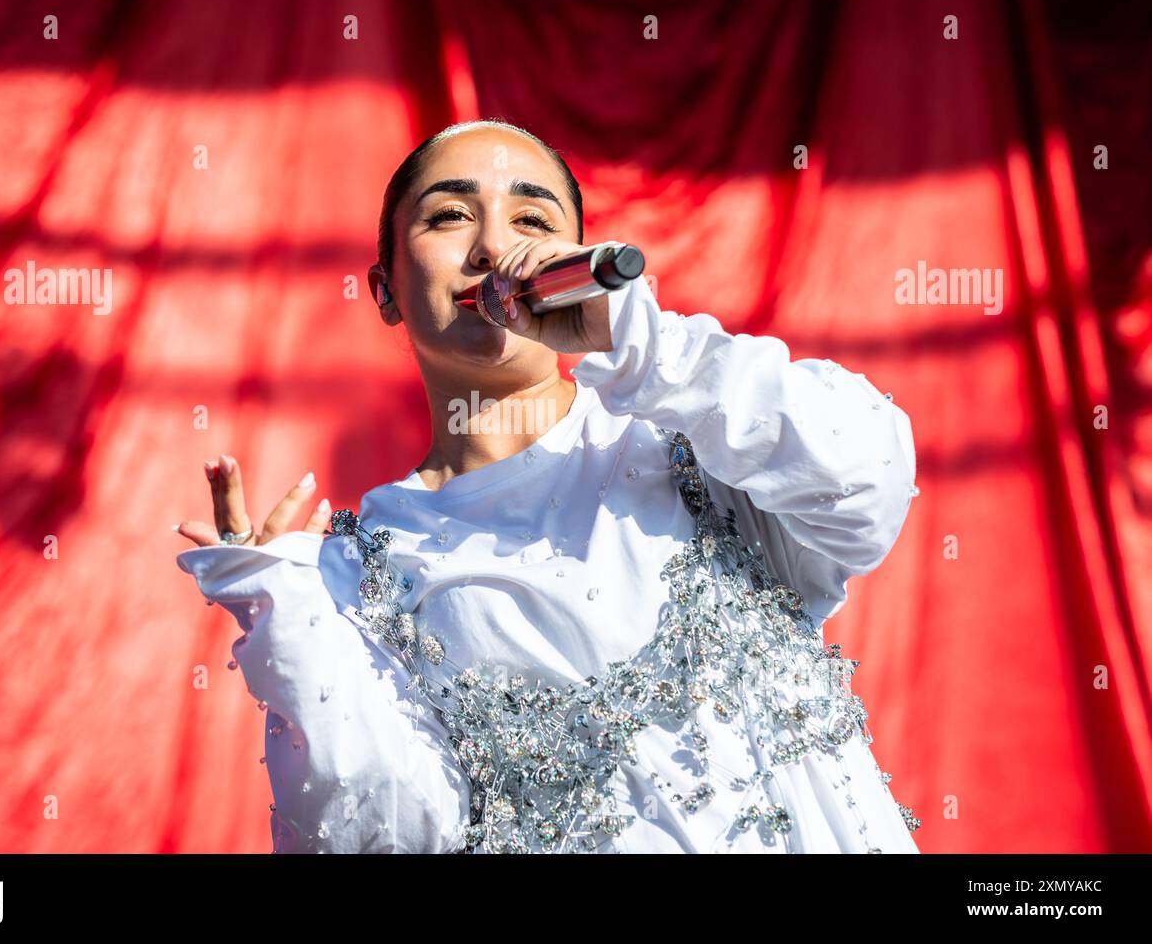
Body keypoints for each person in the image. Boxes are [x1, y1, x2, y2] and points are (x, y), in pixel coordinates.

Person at [174, 119, 922, 854]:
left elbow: (867, 482)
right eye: (451, 215)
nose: (495, 248)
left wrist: (643, 346)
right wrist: (288, 614)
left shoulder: (690, 441)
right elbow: (393, 834)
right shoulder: (358, 567)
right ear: (386, 289)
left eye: (531, 218)